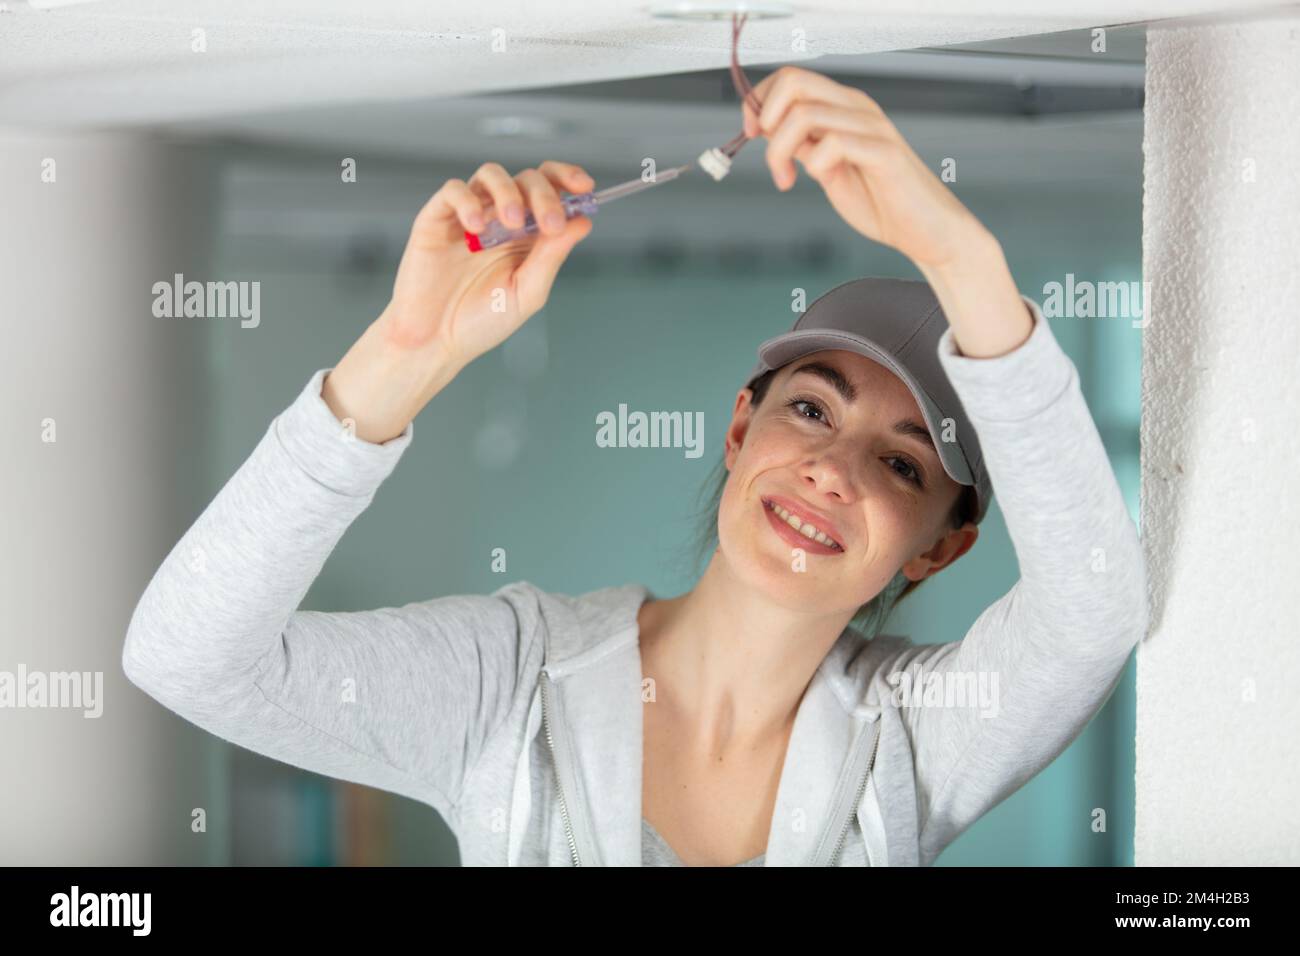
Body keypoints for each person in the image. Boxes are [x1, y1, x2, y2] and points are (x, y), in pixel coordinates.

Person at [122, 66, 1148, 866]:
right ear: (739, 429)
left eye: (900, 464)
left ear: (942, 546)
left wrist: (960, 255)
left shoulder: (918, 739)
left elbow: (1092, 610)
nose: (832, 470)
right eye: (808, 409)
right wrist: (403, 353)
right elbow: (187, 655)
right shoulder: (507, 680)